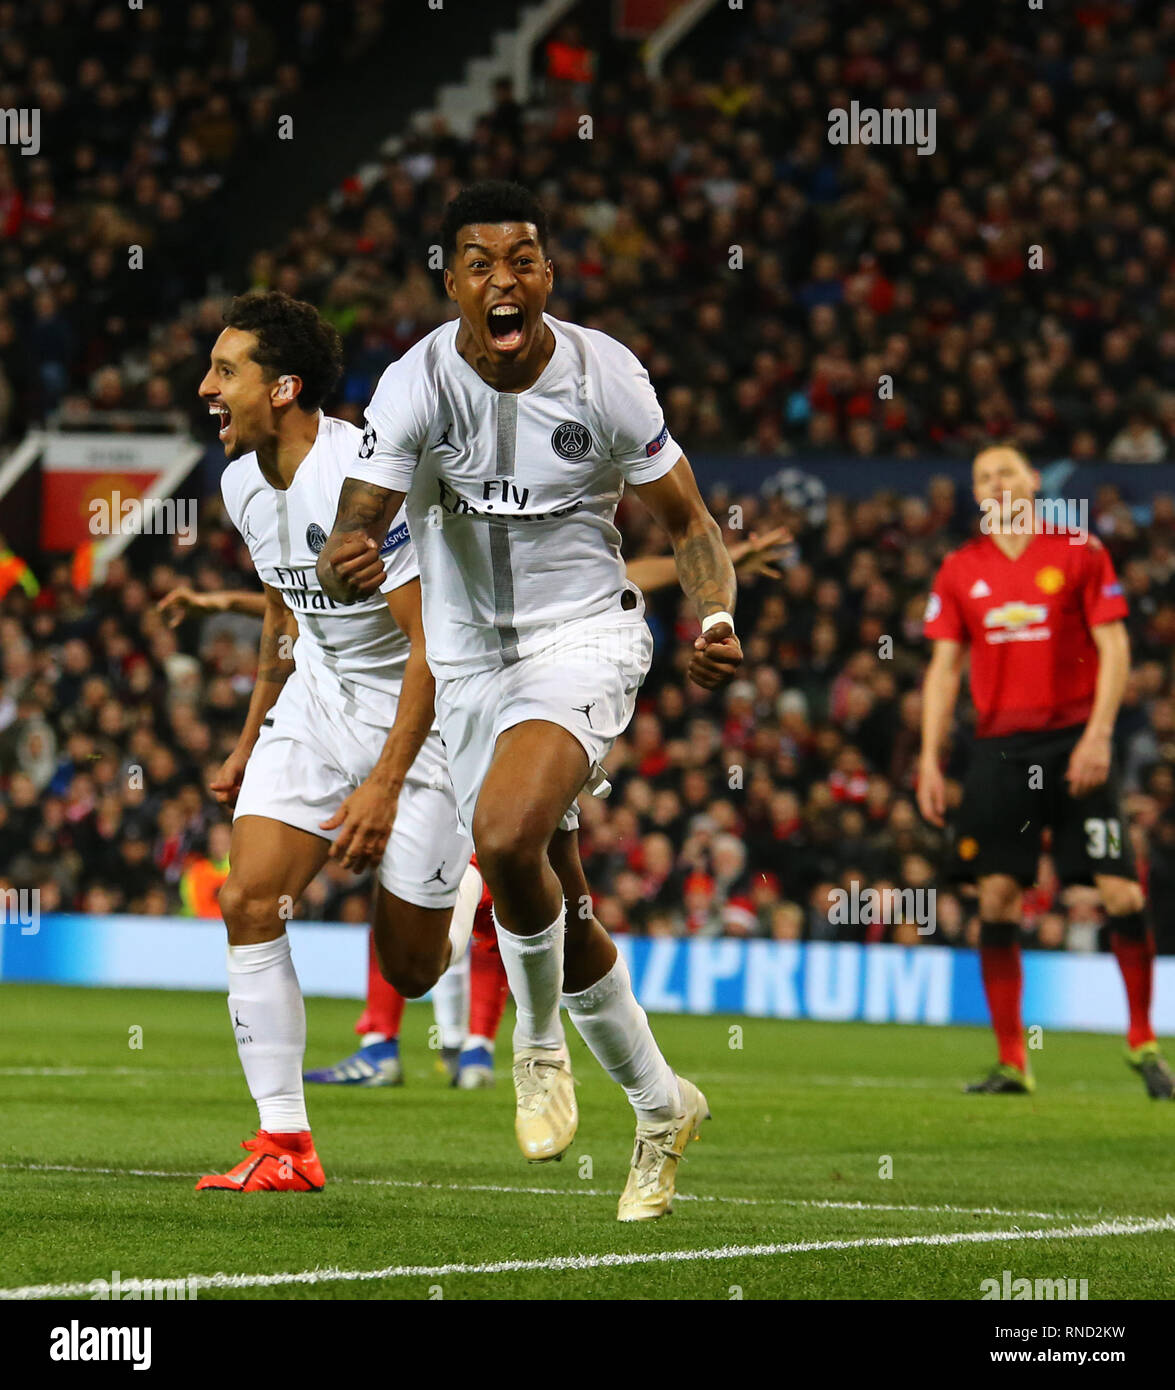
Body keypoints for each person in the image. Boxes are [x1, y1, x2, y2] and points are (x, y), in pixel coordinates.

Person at [317, 180, 745, 1221]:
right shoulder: (415, 383)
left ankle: (535, 1044)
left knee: (505, 837)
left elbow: (687, 521)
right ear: (450, 280)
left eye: (523, 260)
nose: (503, 280)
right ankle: (659, 1103)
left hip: (582, 636)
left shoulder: (607, 378)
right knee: (556, 886)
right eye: (479, 262)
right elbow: (354, 526)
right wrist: (346, 561)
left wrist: (716, 616)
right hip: (467, 663)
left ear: (547, 274)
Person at [193, 290, 479, 1192]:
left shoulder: (363, 479)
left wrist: (386, 785)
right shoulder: (240, 479)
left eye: (224, 371)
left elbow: (433, 643)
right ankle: (286, 1146)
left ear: (282, 388)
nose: (206, 387)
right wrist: (249, 737)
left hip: (422, 721)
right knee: (248, 900)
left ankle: (468, 882)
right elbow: (284, 609)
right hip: (318, 702)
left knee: (414, 969)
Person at [918, 444, 1172, 1098]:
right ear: (974, 493)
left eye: (1006, 471)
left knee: (1121, 893)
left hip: (1074, 746)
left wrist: (1098, 734)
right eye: (982, 476)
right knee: (996, 899)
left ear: (1032, 481)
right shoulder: (958, 569)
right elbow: (943, 670)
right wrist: (928, 756)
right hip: (998, 752)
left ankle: (1142, 1039)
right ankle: (1012, 1062)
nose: (995, 483)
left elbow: (1114, 647)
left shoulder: (1080, 551)